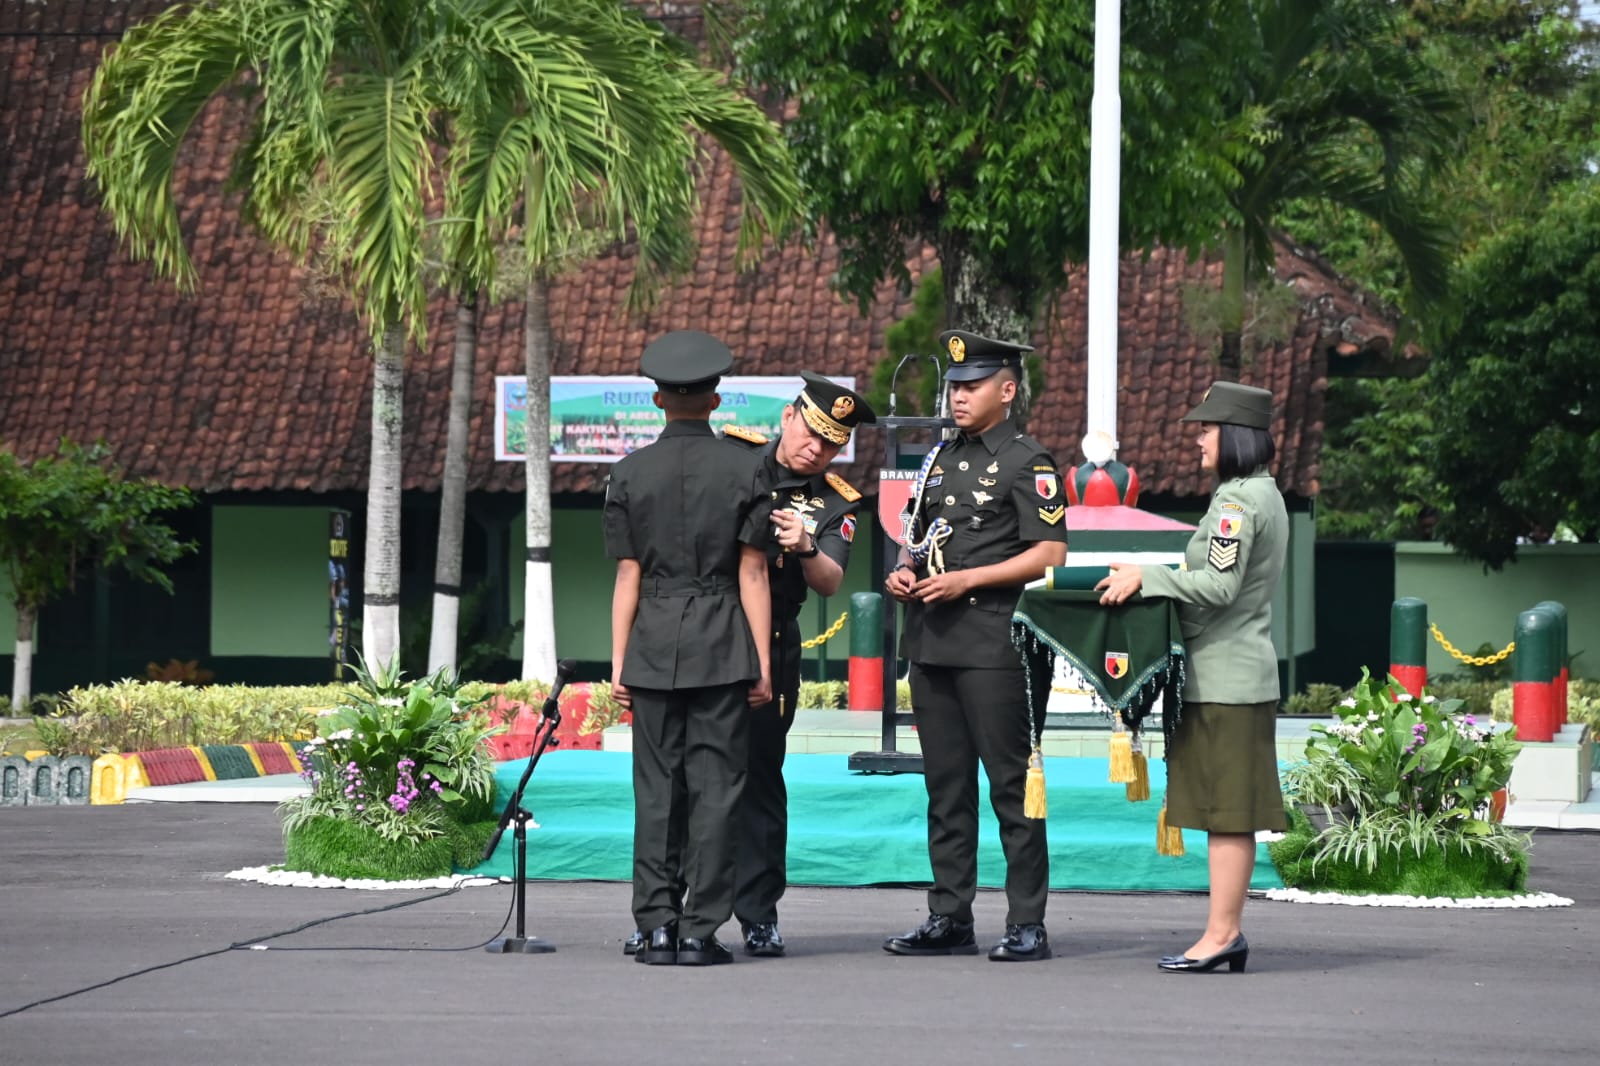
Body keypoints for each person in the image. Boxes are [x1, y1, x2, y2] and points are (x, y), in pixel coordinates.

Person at [622, 371, 877, 959]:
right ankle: (670, 912)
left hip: (771, 644)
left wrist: (805, 545)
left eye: (831, 442)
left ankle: (758, 913)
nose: (816, 447)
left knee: (757, 780)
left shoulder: (834, 499)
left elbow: (833, 581)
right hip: (703, 633)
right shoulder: (734, 460)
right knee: (682, 778)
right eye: (811, 430)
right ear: (788, 417)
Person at [882, 329, 1068, 963]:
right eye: (953, 387)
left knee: (1012, 787)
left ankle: (1026, 922)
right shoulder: (939, 457)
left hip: (994, 642)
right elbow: (921, 534)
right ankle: (949, 915)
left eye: (970, 387)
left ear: (1007, 391)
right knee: (945, 786)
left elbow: (1049, 552)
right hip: (932, 641)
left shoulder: (1027, 460)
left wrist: (968, 579)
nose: (956, 398)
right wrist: (907, 570)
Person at [1094, 380, 1288, 975]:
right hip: (1240, 675)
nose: (1199, 439)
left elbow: (1220, 587)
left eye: (1206, 429)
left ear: (1233, 434)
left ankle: (1222, 934)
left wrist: (1150, 576)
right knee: (1228, 811)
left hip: (1224, 679)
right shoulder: (1263, 494)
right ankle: (1223, 932)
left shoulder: (1235, 503)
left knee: (1226, 813)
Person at [605, 330, 773, 967]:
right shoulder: (747, 466)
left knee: (656, 791)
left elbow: (628, 576)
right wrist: (758, 660)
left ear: (655, 400)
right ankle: (701, 931)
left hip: (651, 646)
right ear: (716, 398)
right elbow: (752, 573)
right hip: (723, 645)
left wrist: (620, 661)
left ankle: (656, 927)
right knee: (718, 789)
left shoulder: (628, 472)